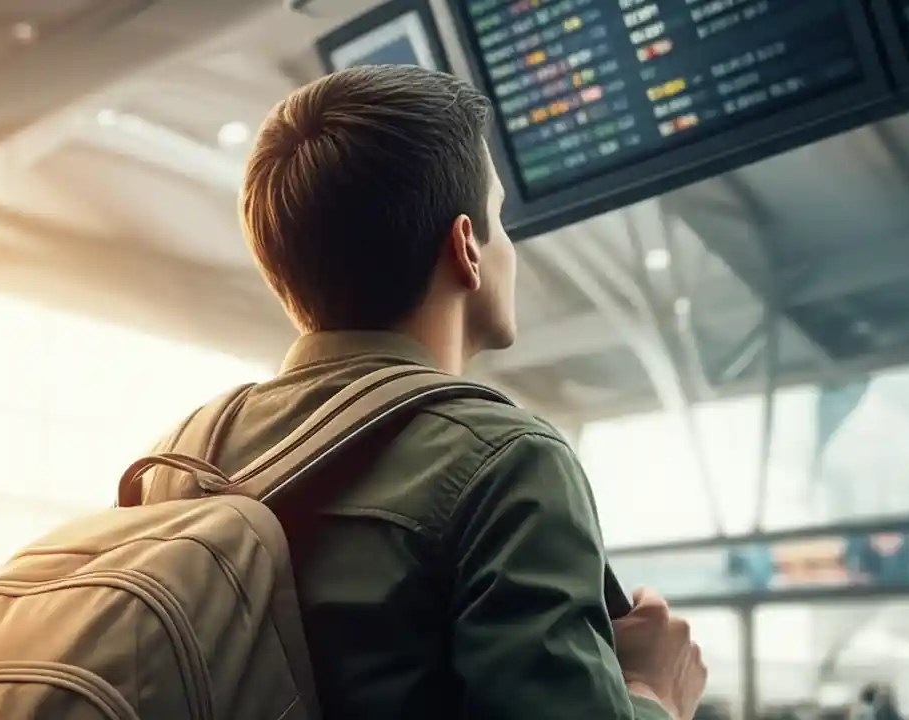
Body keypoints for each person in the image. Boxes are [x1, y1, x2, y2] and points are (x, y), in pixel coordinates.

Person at [191, 64, 708, 719]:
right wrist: (654, 691)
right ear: (466, 246)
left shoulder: (183, 458)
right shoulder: (504, 461)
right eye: (498, 216)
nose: (508, 247)